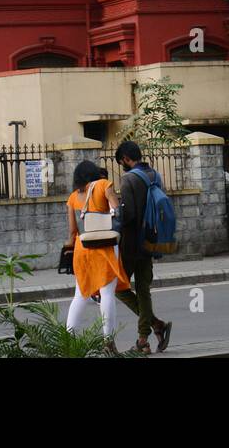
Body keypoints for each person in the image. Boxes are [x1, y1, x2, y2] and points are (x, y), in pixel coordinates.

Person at [114, 141, 173, 354]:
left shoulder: (128, 179)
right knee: (143, 290)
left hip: (131, 244)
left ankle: (147, 335)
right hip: (151, 240)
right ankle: (150, 331)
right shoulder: (155, 176)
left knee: (117, 287)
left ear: (126, 159)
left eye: (121, 161)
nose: (122, 165)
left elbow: (128, 215)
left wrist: (114, 221)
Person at [65, 160, 129, 347]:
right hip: (104, 248)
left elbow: (72, 231)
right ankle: (108, 341)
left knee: (80, 294)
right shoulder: (103, 185)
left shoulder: (72, 198)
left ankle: (69, 339)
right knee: (107, 293)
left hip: (81, 249)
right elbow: (118, 212)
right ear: (93, 173)